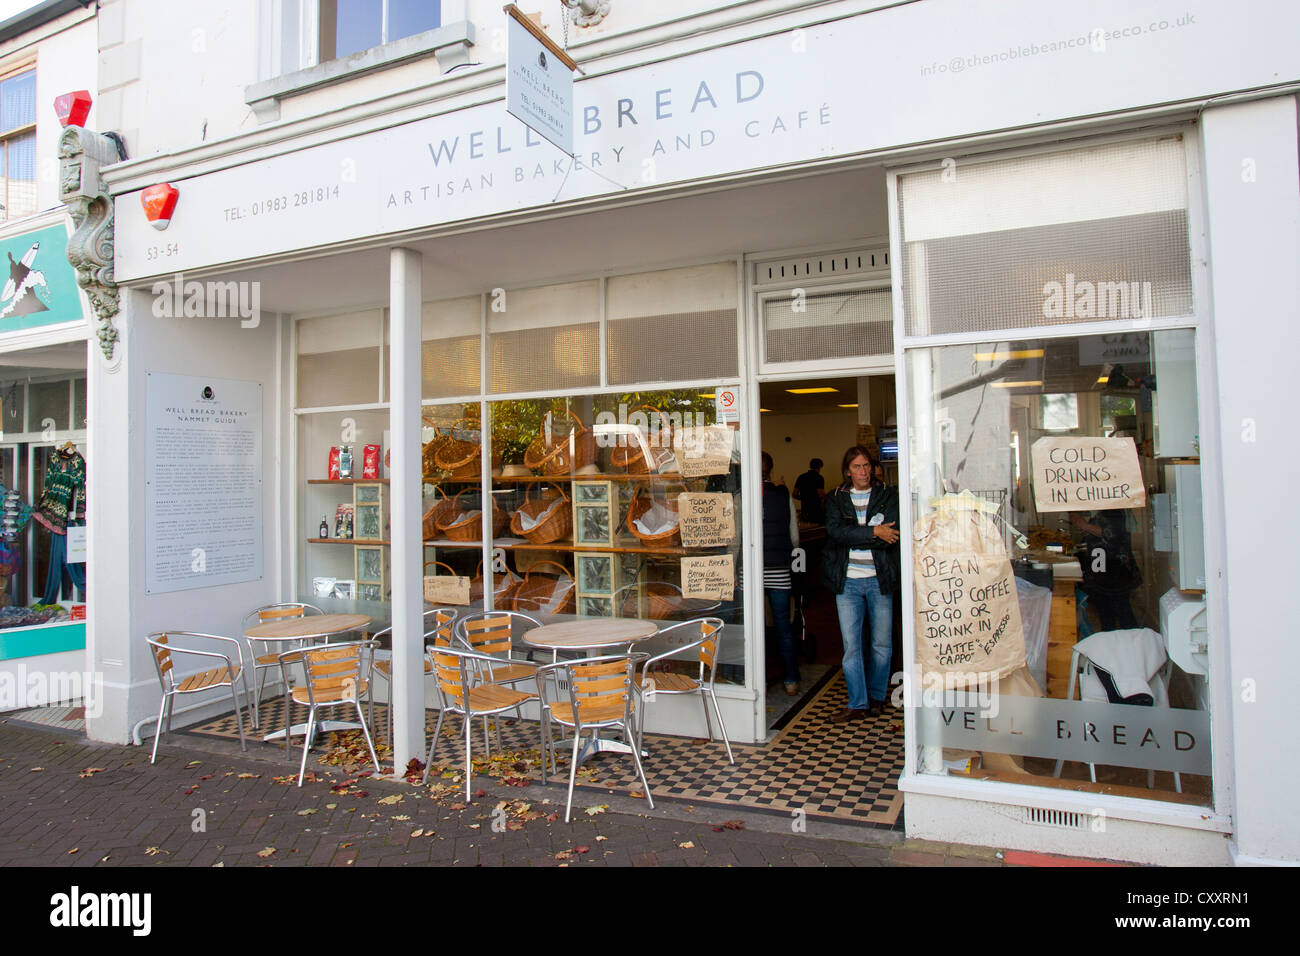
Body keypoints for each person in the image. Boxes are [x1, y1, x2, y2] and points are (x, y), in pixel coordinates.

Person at [823, 445, 900, 720]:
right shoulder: (836, 498)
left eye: (866, 465)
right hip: (848, 583)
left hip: (880, 579)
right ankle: (858, 703)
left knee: (882, 644)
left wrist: (863, 533)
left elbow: (892, 532)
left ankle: (877, 697)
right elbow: (836, 532)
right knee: (851, 646)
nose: (863, 471)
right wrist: (874, 532)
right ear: (848, 470)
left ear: (873, 467)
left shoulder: (888, 495)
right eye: (857, 466)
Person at [761, 451, 801, 696]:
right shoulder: (783, 493)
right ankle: (791, 680)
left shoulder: (742, 493)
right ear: (771, 469)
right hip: (779, 568)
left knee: (754, 628)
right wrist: (792, 557)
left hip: (750, 569)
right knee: (783, 626)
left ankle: (759, 680)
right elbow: (794, 533)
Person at [793, 457, 826, 524]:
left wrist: (803, 498)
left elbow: (794, 494)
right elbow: (820, 495)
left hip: (804, 511)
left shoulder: (801, 477)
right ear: (820, 467)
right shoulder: (819, 478)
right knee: (818, 532)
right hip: (816, 511)